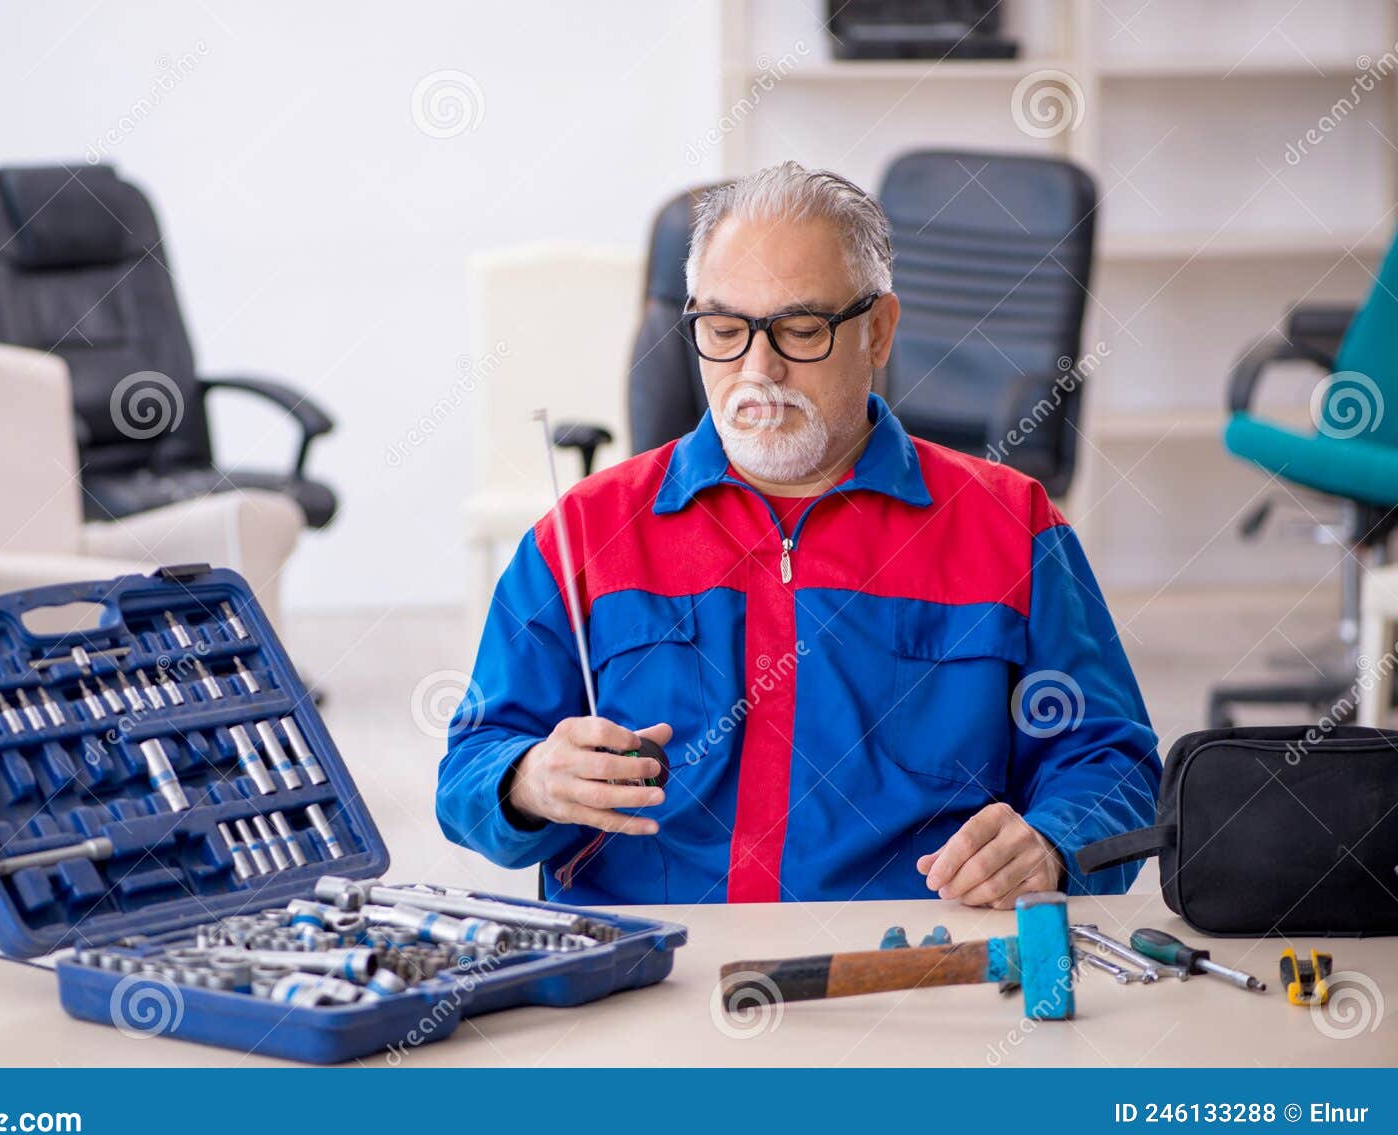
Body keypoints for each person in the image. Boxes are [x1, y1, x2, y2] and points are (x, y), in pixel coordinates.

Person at [437, 161, 1160, 907]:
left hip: (907, 976)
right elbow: (468, 772)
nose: (759, 368)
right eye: (723, 330)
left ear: (878, 331)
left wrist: (1051, 845)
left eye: (801, 330)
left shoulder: (1012, 528)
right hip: (648, 976)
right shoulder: (583, 533)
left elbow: (1112, 763)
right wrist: (526, 781)